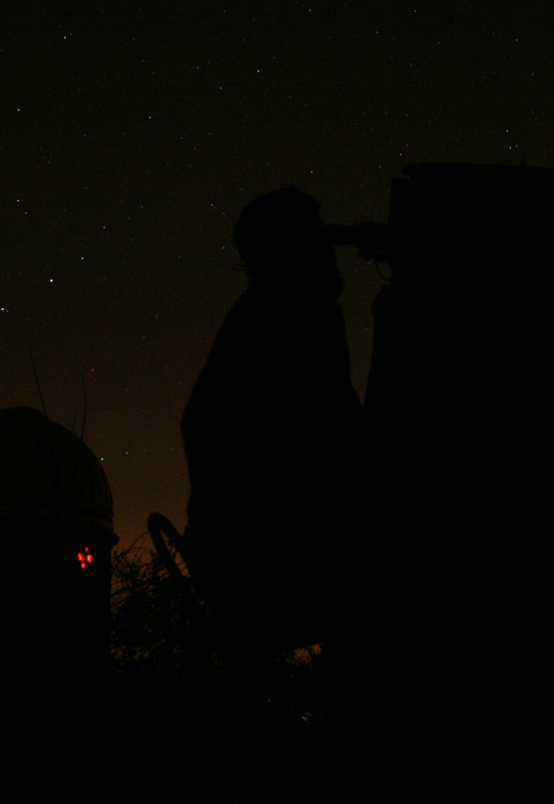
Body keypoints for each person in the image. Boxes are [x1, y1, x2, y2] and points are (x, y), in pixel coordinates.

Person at [180, 188, 364, 656]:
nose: (331, 252)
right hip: (268, 559)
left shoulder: (270, 312)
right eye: (317, 241)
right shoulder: (294, 316)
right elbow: (330, 435)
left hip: (249, 555)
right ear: (292, 250)